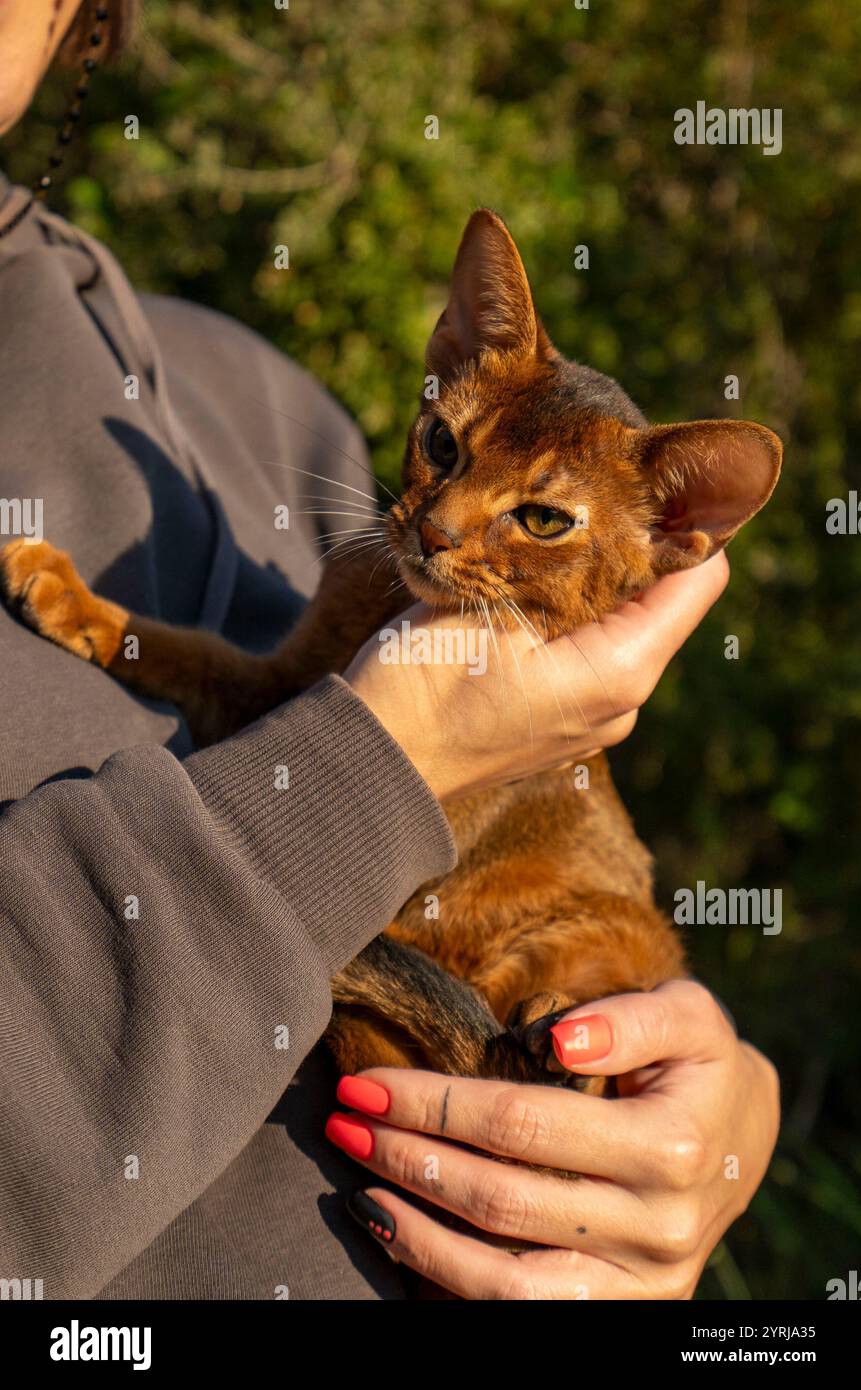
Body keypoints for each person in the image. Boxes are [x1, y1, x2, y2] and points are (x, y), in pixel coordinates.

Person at [0, 0, 779, 1301]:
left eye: (525, 516)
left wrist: (690, 1125)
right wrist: (383, 758)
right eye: (444, 454)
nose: (435, 522)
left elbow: (260, 704)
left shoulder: (269, 411)